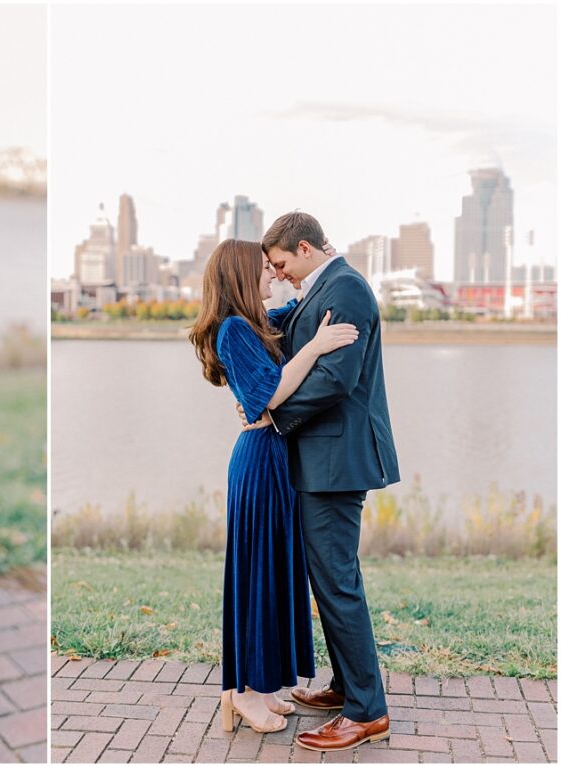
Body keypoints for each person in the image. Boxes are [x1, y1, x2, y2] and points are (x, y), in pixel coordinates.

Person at [189, 239, 359, 734]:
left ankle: (259, 687)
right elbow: (267, 396)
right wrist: (315, 348)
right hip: (259, 459)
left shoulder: (256, 324)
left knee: (272, 573)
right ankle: (241, 692)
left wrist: (324, 266)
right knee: (255, 576)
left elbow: (296, 307)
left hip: (274, 459)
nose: (273, 276)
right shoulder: (234, 329)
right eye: (266, 269)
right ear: (243, 274)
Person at [250, 210, 401, 752]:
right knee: (329, 580)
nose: (281, 272)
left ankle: (367, 712)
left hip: (335, 463)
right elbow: (295, 339)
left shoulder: (348, 289)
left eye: (282, 262)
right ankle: (345, 686)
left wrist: (275, 416)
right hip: (321, 460)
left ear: (306, 248)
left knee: (337, 582)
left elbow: (338, 379)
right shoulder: (325, 288)